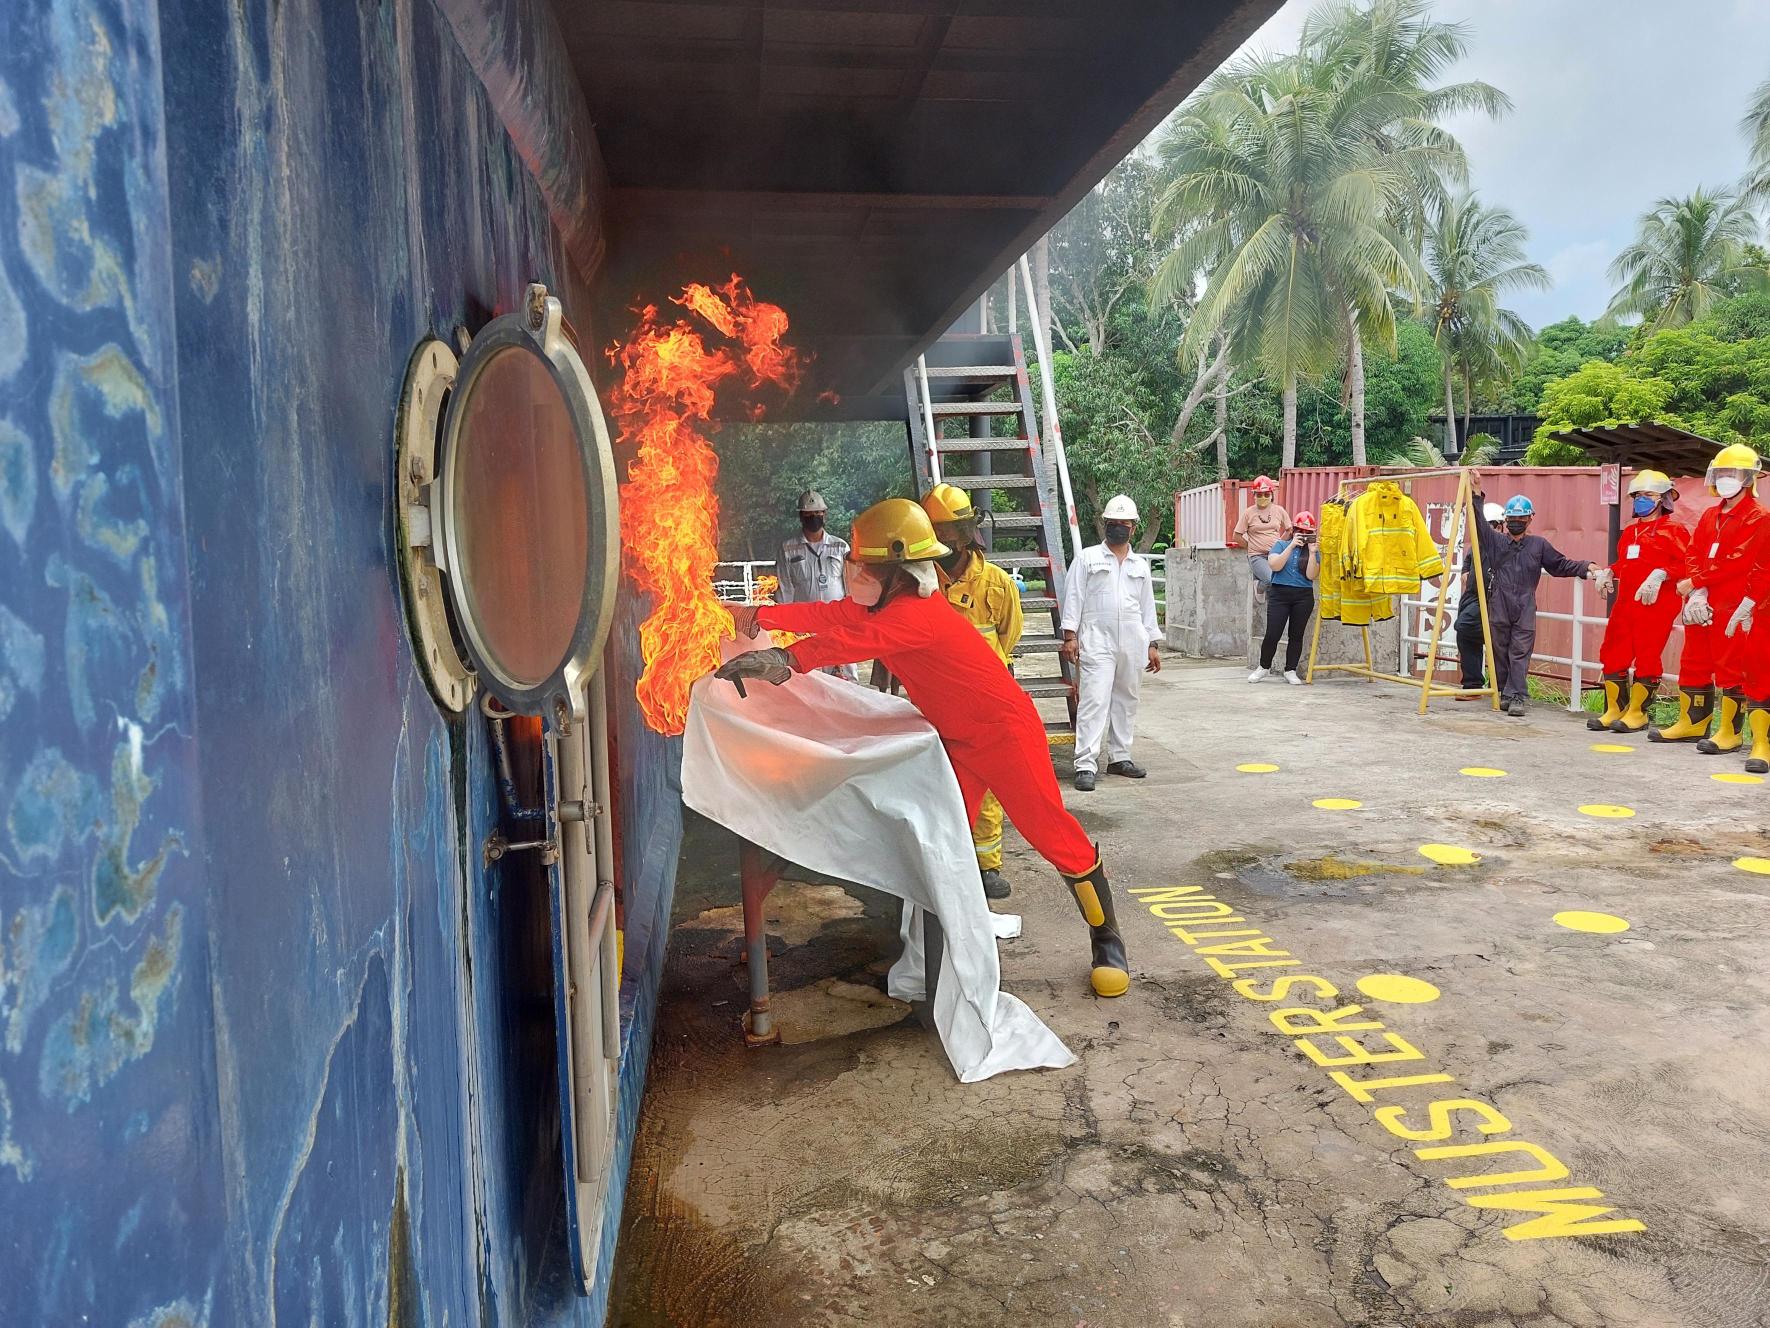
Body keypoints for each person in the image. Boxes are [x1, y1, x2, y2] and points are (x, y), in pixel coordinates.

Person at [719, 498, 1130, 998]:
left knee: (1051, 834)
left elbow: (849, 641)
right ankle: (946, 950)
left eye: (866, 564)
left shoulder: (915, 615)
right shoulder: (888, 602)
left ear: (896, 570)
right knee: (946, 840)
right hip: (955, 739)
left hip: (1004, 734)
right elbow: (832, 615)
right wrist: (759, 614)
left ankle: (1107, 938)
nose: (856, 570)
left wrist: (785, 657)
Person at [922, 482, 1024, 901]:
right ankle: (943, 860)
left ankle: (986, 866)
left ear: (966, 534)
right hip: (937, 703)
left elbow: (1008, 637)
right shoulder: (921, 585)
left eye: (950, 533)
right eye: (937, 534)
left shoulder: (997, 585)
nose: (945, 543)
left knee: (984, 785)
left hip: (984, 704)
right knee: (937, 782)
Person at [1652, 444, 1770, 751]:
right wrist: (1697, 591)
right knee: (1694, 660)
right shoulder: (1710, 515)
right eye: (1720, 473)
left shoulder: (1758, 517)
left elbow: (1739, 560)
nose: (1725, 479)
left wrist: (1696, 581)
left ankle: (1730, 733)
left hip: (1734, 604)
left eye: (1732, 473)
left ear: (1748, 477)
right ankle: (1692, 722)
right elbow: (1694, 551)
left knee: (1732, 665)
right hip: (1702, 602)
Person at [1469, 476, 1600, 717]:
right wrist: (1477, 492)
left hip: (1525, 605)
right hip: (1498, 603)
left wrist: (1586, 566)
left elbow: (1560, 565)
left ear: (1530, 519)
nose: (1516, 522)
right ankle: (1503, 693)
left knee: (1519, 651)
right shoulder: (1495, 541)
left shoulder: (1539, 546)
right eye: (1512, 518)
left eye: (1521, 518)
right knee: (1499, 650)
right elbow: (1478, 524)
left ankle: (1517, 696)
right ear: (1506, 520)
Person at [1059, 494, 1162, 793]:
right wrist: (1070, 636)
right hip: (1096, 639)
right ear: (1106, 525)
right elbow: (1074, 597)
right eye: (1113, 523)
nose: (1119, 527)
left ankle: (1120, 757)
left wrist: (1152, 643)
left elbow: (1147, 606)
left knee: (1127, 699)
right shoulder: (1088, 558)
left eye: (1124, 523)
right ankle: (1085, 764)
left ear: (1133, 527)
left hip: (1133, 640)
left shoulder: (1139, 565)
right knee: (1094, 700)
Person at [1585, 471, 1690, 733]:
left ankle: (1637, 713)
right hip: (1626, 604)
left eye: (1648, 495)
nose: (1641, 500)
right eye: (1637, 496)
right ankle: (1614, 710)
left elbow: (1688, 564)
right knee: (1613, 650)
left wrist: (1662, 573)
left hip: (1656, 606)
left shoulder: (1674, 530)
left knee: (1647, 655)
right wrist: (1610, 571)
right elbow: (1626, 563)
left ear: (1663, 499)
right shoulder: (1630, 531)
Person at [775, 490, 857, 681]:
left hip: (837, 625)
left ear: (824, 514)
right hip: (805, 626)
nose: (814, 517)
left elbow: (851, 587)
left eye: (817, 513)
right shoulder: (788, 549)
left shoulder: (840, 547)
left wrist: (853, 620)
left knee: (846, 682)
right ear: (801, 517)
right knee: (810, 683)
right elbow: (785, 588)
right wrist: (786, 626)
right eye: (808, 514)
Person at [1248, 511, 1320, 684]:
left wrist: (1311, 553)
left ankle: (1290, 670)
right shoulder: (1280, 545)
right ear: (1293, 530)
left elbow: (1311, 575)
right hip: (1280, 594)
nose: (1303, 536)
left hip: (1303, 595)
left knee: (1296, 635)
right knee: (1273, 632)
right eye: (1299, 531)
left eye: (1307, 533)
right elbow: (1274, 565)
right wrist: (1291, 545)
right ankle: (1263, 667)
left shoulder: (1313, 551)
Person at [1452, 502, 1506, 697]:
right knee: (1466, 637)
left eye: (1490, 524)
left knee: (1465, 626)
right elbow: (1468, 558)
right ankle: (1473, 684)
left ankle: (1501, 687)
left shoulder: (1502, 545)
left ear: (1499, 525)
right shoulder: (1477, 544)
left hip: (1491, 599)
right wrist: (1466, 571)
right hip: (1472, 596)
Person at [1232, 476, 1292, 590]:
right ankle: (1259, 587)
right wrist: (1252, 546)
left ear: (1271, 495)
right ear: (1254, 495)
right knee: (1270, 579)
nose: (1263, 497)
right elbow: (1237, 536)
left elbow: (1289, 529)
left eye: (1266, 494)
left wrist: (1280, 544)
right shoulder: (1248, 513)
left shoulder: (1279, 510)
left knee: (1283, 580)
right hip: (1257, 556)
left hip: (1275, 554)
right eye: (1259, 495)